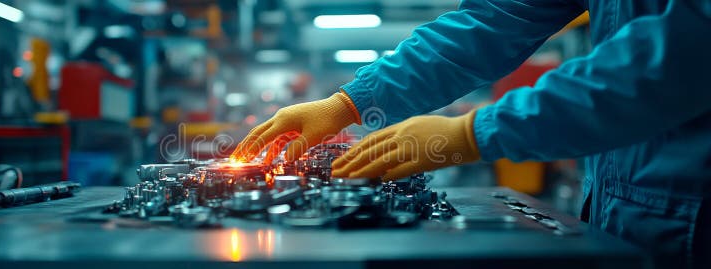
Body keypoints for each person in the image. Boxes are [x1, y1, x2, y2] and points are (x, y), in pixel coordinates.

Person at [231, 0, 711, 267]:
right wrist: (352, 102)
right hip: (623, 207)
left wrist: (475, 131)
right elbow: (496, 18)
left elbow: (681, 55)